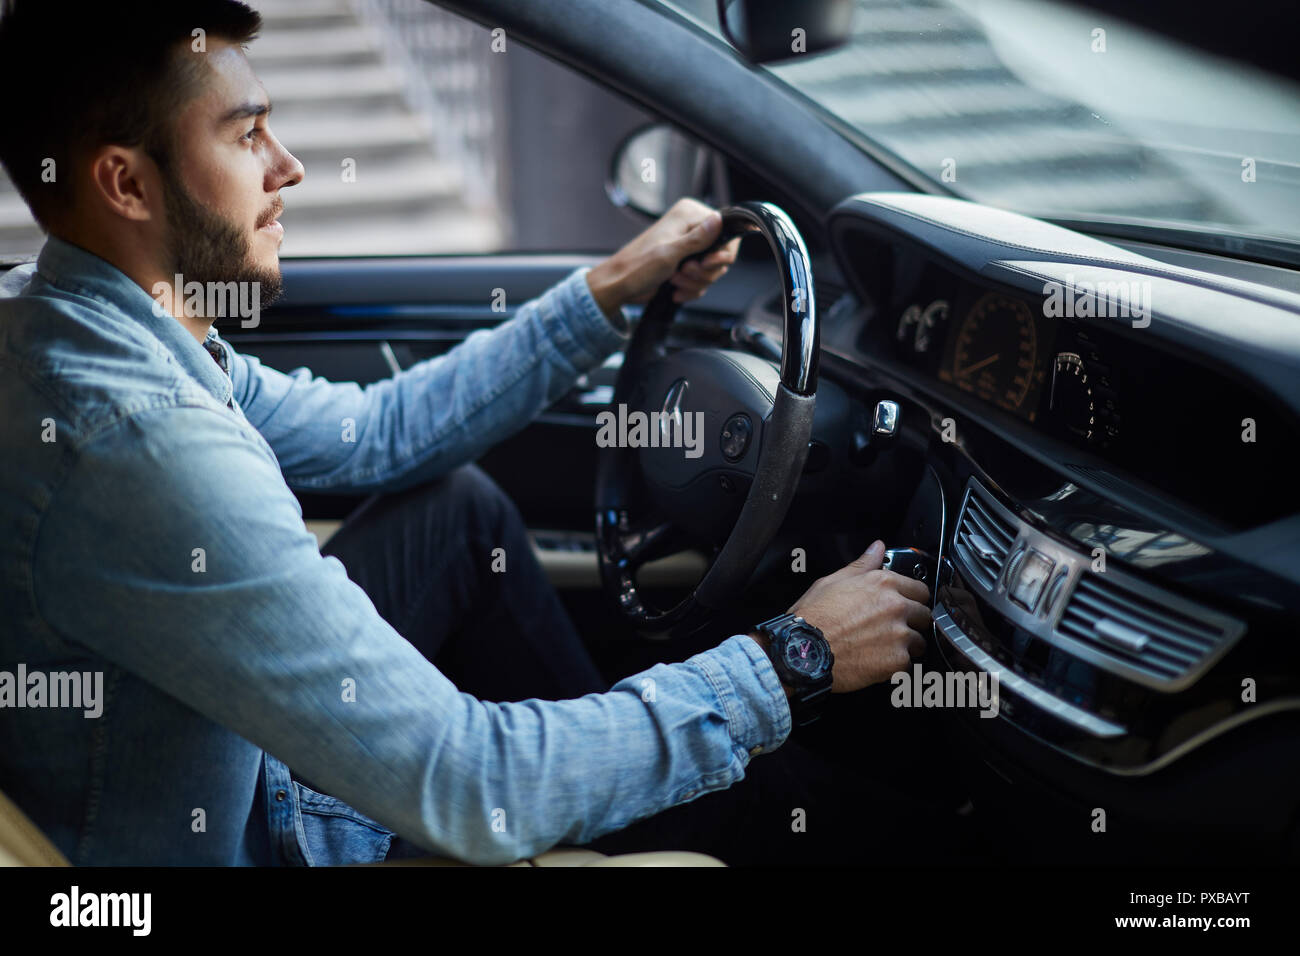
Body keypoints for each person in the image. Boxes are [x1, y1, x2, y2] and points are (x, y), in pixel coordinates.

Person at [0, 0, 931, 866]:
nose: (288, 167)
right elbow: (470, 781)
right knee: (758, 811)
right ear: (125, 182)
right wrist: (789, 661)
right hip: (249, 840)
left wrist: (613, 286)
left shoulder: (81, 323)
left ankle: (647, 800)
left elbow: (378, 433)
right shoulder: (139, 445)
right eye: (247, 135)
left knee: (458, 511)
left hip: (239, 768)